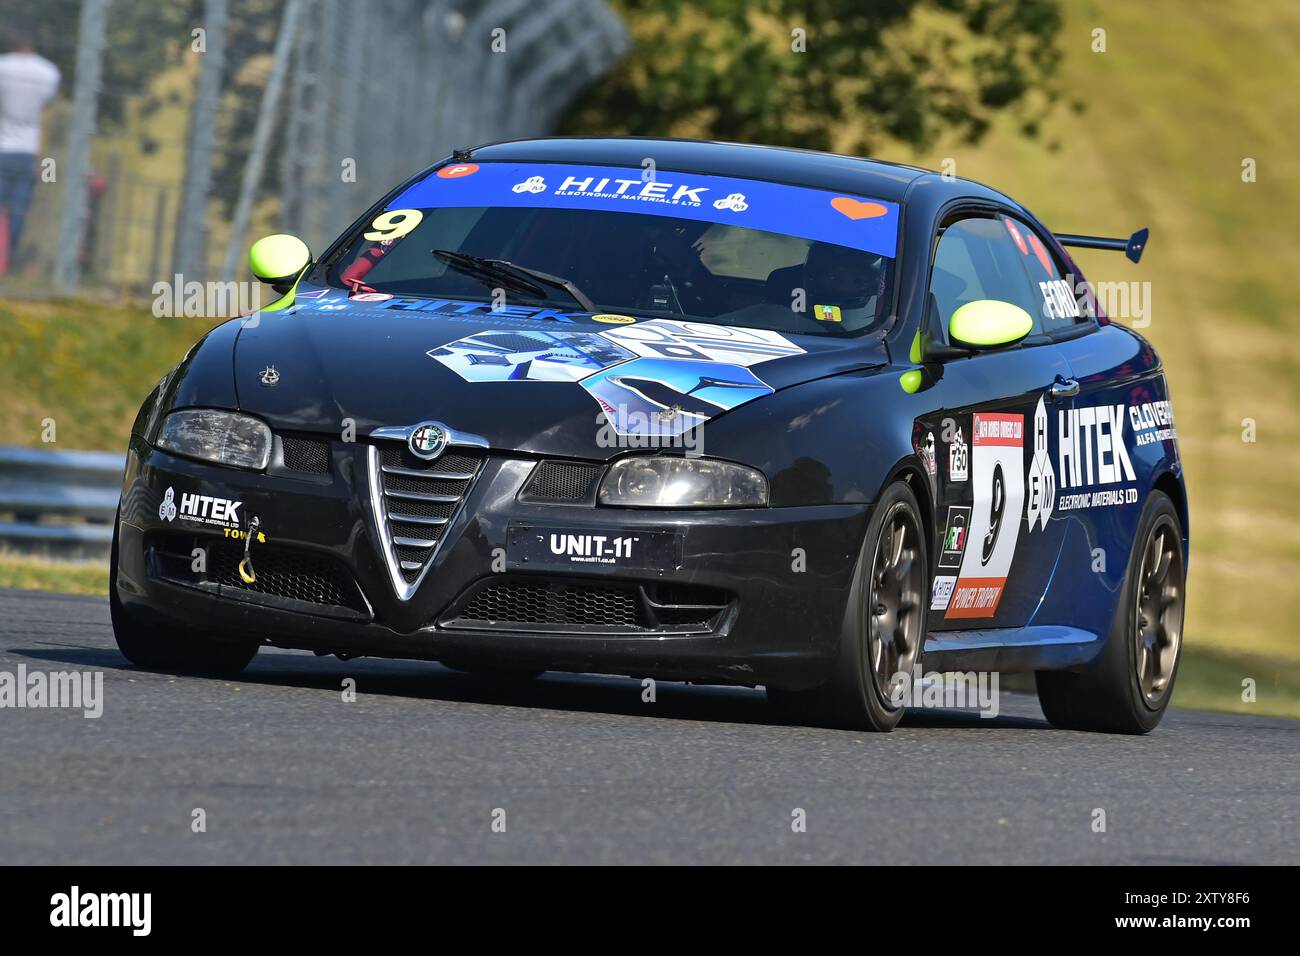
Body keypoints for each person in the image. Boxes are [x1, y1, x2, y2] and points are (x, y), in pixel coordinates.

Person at [0, 19, 61, 260]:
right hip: (28, 149)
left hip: (2, 145)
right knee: (17, 210)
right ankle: (8, 259)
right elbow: (47, 104)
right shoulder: (49, 72)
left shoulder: (3, 67)